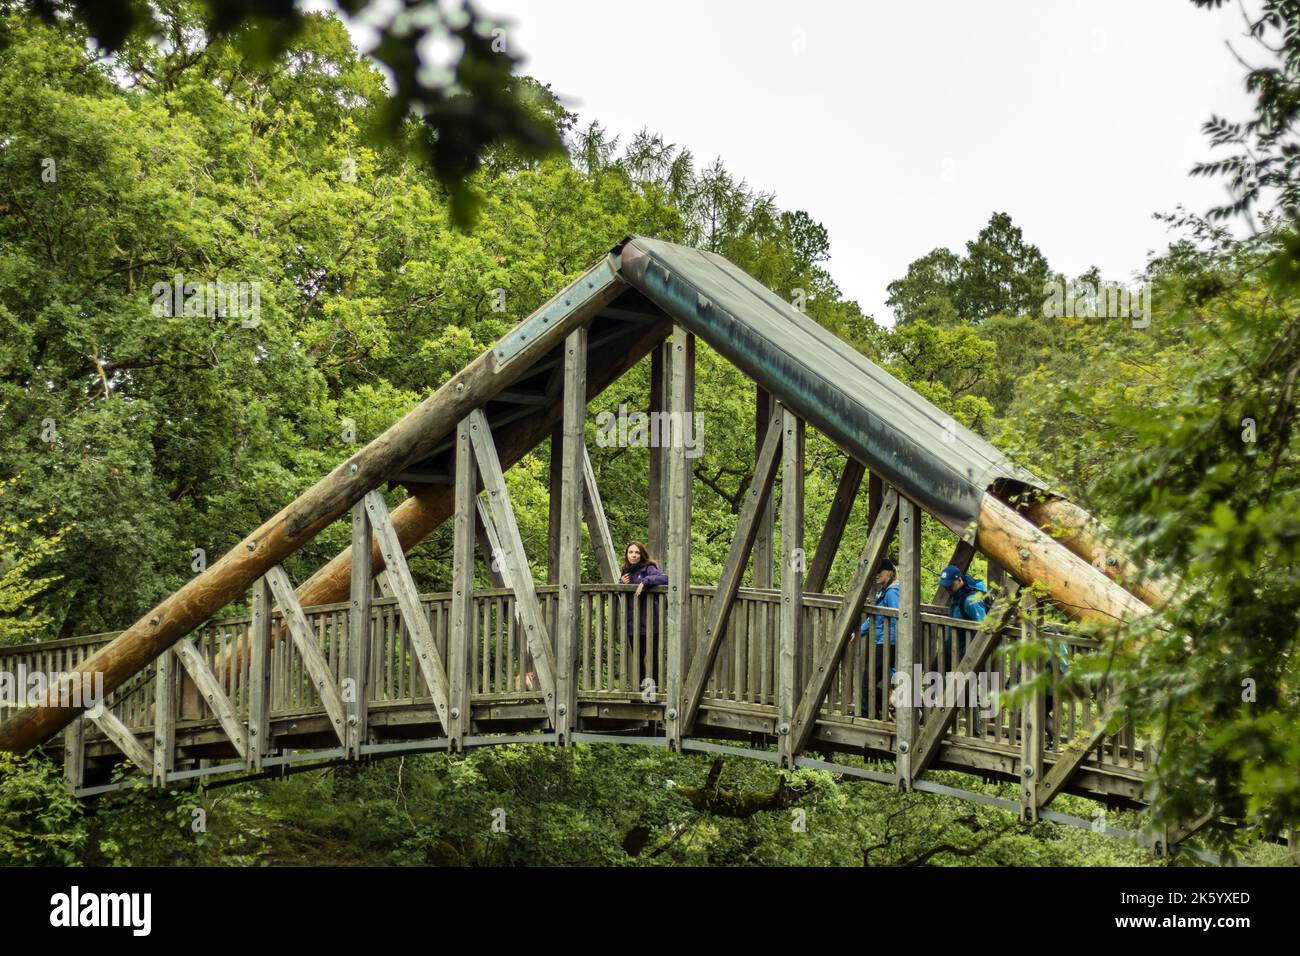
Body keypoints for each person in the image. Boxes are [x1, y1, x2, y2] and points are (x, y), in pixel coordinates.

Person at [851, 557, 898, 717]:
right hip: (883, 641)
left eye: (880, 571)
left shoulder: (892, 592)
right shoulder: (884, 591)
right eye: (875, 571)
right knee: (883, 679)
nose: (876, 574)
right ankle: (880, 710)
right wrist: (859, 632)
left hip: (887, 642)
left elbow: (896, 616)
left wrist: (891, 642)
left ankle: (865, 713)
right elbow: (874, 618)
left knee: (869, 677)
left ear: (889, 573)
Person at [620, 541, 668, 693]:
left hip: (650, 623)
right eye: (631, 552)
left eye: (637, 552)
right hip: (632, 623)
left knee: (652, 659)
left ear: (642, 554)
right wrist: (621, 583)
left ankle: (653, 693)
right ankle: (639, 692)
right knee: (638, 659)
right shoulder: (626, 571)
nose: (634, 555)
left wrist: (645, 581)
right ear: (627, 555)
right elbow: (622, 593)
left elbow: (664, 578)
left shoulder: (649, 568)